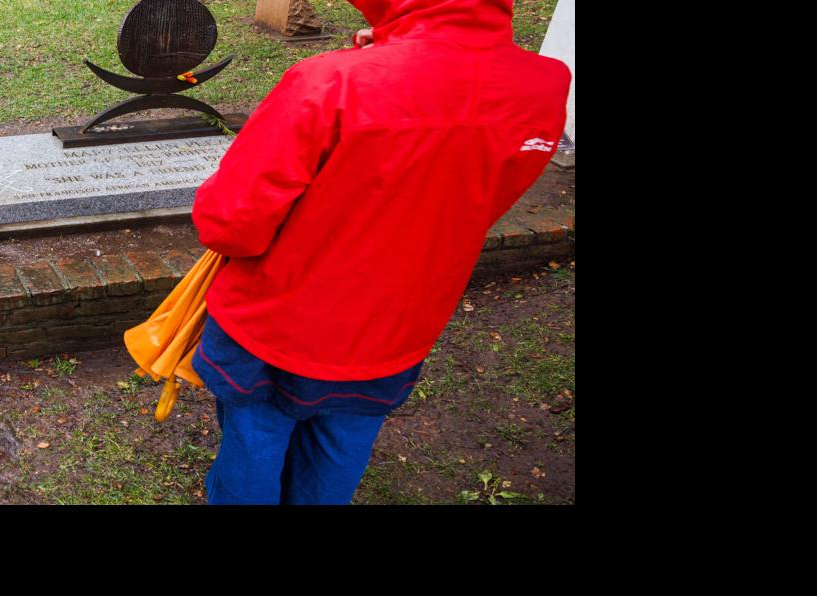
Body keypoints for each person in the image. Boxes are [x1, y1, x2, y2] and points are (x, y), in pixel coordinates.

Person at [190, 0, 571, 504]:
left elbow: (231, 224)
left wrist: (377, 60)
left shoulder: (329, 81)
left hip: (276, 320)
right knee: (342, 442)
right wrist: (387, 51)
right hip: (400, 322)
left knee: (254, 441)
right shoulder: (546, 83)